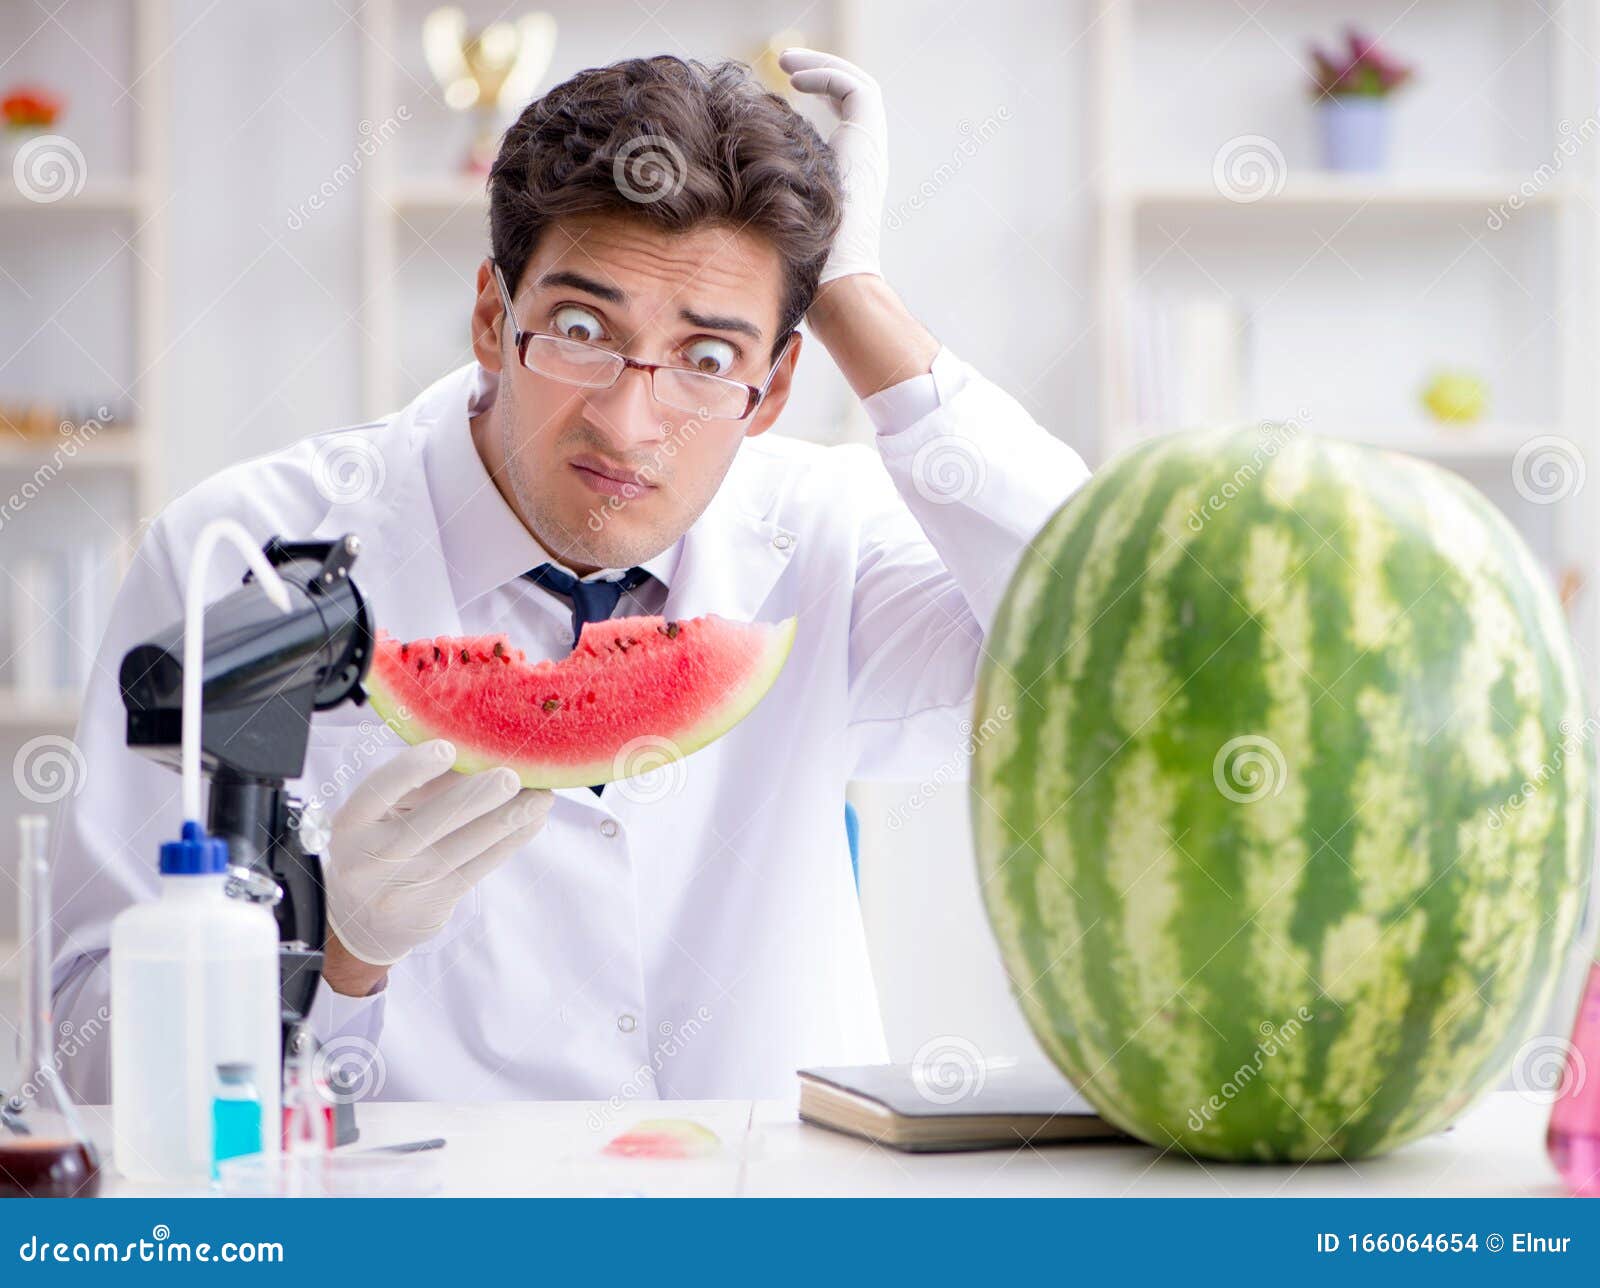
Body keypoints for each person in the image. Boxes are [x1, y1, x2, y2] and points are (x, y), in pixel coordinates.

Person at [52, 51, 1089, 1103]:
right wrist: (333, 953)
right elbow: (91, 1061)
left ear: (774, 388)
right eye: (583, 333)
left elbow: (1113, 646)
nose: (626, 423)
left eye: (708, 357)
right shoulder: (237, 556)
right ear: (493, 320)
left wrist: (857, 299)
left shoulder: (832, 537)